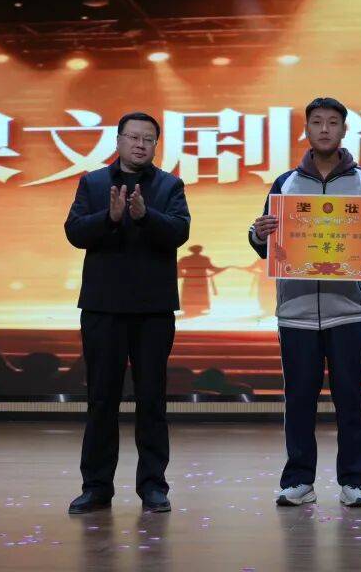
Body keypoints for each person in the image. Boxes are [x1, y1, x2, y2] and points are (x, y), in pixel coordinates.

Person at [248, 97, 361, 508]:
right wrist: (257, 233)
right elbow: (266, 242)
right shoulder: (285, 184)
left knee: (351, 399)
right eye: (317, 122)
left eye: (333, 122)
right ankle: (299, 481)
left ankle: (355, 482)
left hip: (349, 312)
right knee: (298, 401)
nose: (324, 129)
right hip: (296, 312)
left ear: (343, 130)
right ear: (306, 130)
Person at [64, 111, 190, 514]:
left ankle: (153, 486)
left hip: (153, 310)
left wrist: (144, 216)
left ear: (156, 145)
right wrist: (111, 218)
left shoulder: (170, 185)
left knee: (152, 400)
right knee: (102, 400)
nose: (140, 144)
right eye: (133, 137)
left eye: (148, 139)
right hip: (102, 308)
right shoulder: (93, 183)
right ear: (118, 141)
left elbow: (180, 232)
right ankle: (96, 487)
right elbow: (74, 232)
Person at [176, 245, 227, 317]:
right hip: (200, 279)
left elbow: (177, 267)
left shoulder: (186, 259)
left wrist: (182, 274)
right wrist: (222, 269)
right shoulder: (204, 259)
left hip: (190, 279)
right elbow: (212, 268)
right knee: (199, 293)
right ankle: (197, 309)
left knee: (190, 293)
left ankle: (191, 309)